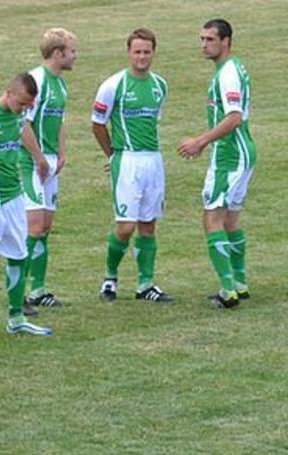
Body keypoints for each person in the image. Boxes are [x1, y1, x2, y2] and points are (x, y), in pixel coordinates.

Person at [0, 73, 54, 348]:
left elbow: (23, 129)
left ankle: (16, 318)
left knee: (18, 256)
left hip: (14, 197)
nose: (24, 110)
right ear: (8, 93)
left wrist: (38, 156)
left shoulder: (20, 113)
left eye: (29, 106)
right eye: (21, 104)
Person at [178, 19, 256, 309]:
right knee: (230, 220)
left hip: (229, 156)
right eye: (201, 39)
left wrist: (201, 141)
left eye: (210, 39)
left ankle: (227, 290)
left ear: (226, 41)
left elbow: (234, 118)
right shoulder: (232, 69)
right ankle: (239, 282)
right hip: (242, 153)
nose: (204, 44)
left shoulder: (228, 75)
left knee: (212, 218)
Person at [92, 28, 173, 303]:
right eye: (137, 51)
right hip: (127, 160)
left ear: (153, 53)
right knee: (126, 227)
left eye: (146, 52)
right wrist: (113, 155)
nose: (141, 56)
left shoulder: (160, 85)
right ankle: (110, 278)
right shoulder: (113, 85)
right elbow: (97, 123)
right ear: (128, 52)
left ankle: (146, 284)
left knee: (148, 224)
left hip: (153, 159)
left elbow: (154, 122)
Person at [21, 28, 77, 309]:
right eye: (72, 51)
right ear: (58, 53)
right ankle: (18, 292)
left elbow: (61, 121)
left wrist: (61, 154)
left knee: (46, 227)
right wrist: (40, 157)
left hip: (50, 162)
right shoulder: (37, 81)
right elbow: (23, 124)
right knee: (34, 227)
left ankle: (38, 290)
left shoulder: (60, 83)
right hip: (31, 163)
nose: (75, 56)